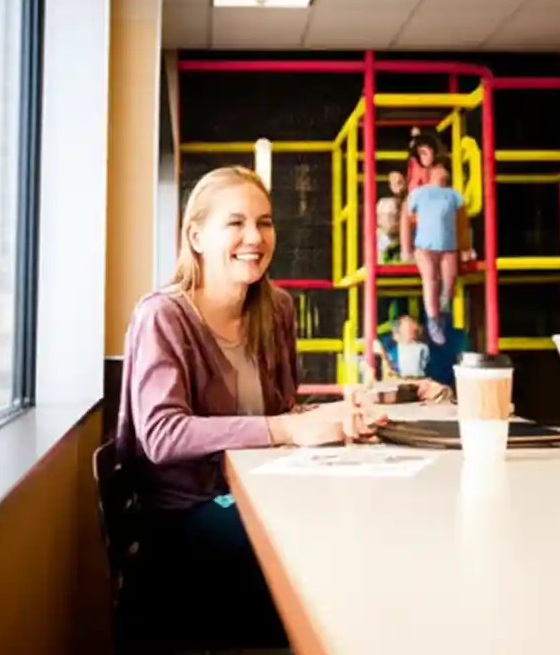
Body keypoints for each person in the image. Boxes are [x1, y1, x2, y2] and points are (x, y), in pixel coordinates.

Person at [114, 166, 379, 652]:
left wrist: (337, 417)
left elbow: (280, 411)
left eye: (265, 222)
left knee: (364, 520)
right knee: (321, 548)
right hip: (185, 515)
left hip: (261, 492)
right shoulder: (163, 316)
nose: (254, 237)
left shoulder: (276, 308)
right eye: (235, 223)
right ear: (196, 235)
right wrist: (290, 428)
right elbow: (163, 436)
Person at [402, 162, 471, 345]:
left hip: (448, 248)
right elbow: (406, 219)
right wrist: (406, 248)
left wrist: (465, 249)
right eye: (439, 169)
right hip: (425, 247)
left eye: (444, 169)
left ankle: (441, 313)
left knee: (449, 281)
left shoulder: (454, 195)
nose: (443, 171)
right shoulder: (420, 193)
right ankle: (432, 318)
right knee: (430, 278)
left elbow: (463, 225)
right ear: (430, 174)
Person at [376, 170, 407, 263]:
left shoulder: (410, 199)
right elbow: (383, 223)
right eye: (394, 183)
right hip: (388, 236)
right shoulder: (384, 202)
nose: (397, 186)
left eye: (400, 182)